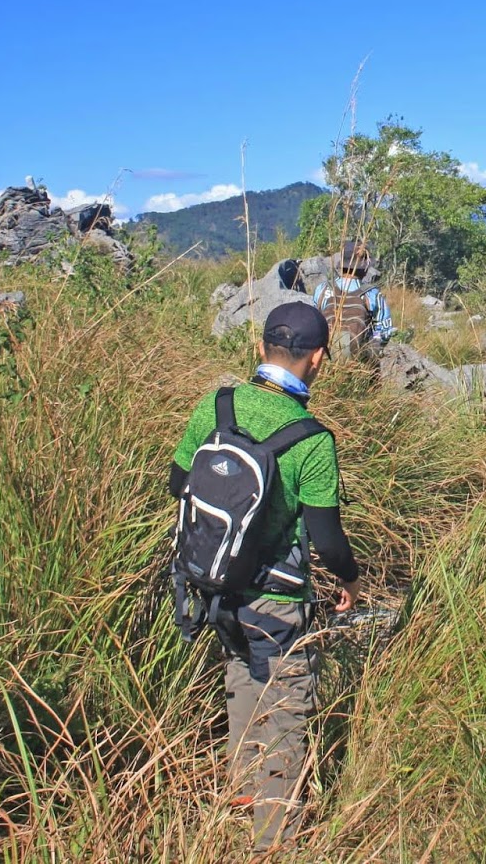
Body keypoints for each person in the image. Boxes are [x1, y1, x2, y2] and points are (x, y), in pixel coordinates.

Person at [168, 301, 362, 850]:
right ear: (319, 359)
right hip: (274, 598)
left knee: (240, 673)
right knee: (286, 702)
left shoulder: (217, 404)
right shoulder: (311, 440)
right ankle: (272, 840)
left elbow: (177, 483)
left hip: (212, 585)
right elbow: (326, 541)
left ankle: (242, 792)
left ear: (261, 348)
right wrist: (351, 582)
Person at [312, 242, 393, 356]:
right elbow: (384, 330)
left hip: (324, 355)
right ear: (364, 268)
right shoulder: (372, 294)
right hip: (358, 359)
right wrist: (372, 345)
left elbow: (314, 322)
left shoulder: (322, 289)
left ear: (341, 266)